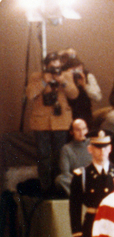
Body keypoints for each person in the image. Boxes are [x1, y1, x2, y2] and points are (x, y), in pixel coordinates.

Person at [26, 51, 79, 195]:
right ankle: (45, 188)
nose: (55, 70)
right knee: (43, 156)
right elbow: (30, 94)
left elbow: (74, 94)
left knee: (60, 156)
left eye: (57, 66)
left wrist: (63, 81)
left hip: (61, 121)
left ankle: (59, 186)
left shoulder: (66, 75)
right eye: (51, 67)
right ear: (46, 67)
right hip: (41, 122)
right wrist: (44, 81)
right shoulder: (36, 77)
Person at [69, 131, 114, 237]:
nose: (102, 151)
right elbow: (74, 210)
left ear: (110, 148)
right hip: (92, 227)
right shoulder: (82, 176)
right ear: (90, 149)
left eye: (105, 147)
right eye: (98, 148)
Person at [60, 49, 102, 127]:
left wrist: (85, 86)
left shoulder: (87, 75)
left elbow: (98, 97)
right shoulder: (61, 76)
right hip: (65, 116)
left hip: (84, 115)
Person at [57, 118, 91, 196]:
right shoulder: (66, 149)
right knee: (60, 179)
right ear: (71, 132)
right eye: (78, 130)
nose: (81, 133)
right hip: (76, 179)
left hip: (93, 178)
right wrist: (80, 180)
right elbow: (65, 172)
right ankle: (79, 196)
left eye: (84, 129)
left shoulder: (94, 144)